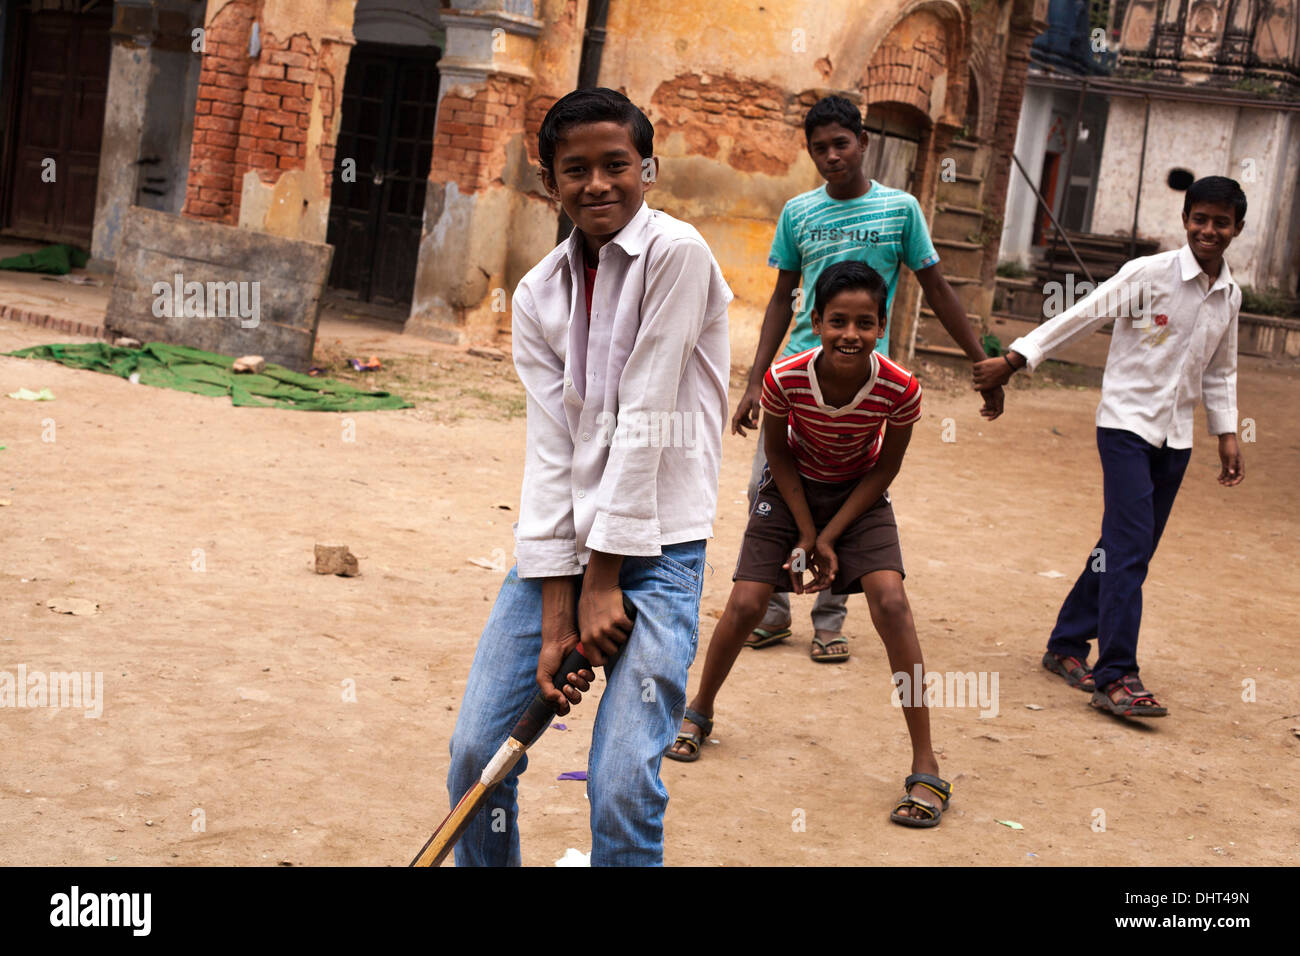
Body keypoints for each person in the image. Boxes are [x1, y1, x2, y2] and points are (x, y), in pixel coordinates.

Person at [445, 87, 732, 865]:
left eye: (616, 165)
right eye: (576, 170)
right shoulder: (539, 292)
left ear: (649, 168)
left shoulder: (677, 256)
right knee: (478, 751)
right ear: (550, 184)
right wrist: (557, 612)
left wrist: (605, 581)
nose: (597, 184)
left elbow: (645, 418)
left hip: (661, 550)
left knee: (620, 783)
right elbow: (551, 450)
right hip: (564, 553)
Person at [666, 260, 951, 827]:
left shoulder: (900, 388)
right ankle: (699, 710)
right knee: (746, 603)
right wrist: (803, 531)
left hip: (860, 497)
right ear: (816, 321)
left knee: (891, 602)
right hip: (790, 490)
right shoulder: (785, 378)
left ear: (881, 325)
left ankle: (927, 761)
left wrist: (830, 535)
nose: (851, 334)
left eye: (865, 323)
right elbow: (777, 454)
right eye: (838, 320)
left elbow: (884, 471)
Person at [732, 94, 1003, 664]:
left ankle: (830, 616)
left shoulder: (900, 210)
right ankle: (775, 609)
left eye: (841, 143)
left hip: (862, 387)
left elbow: (937, 287)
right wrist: (756, 379)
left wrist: (981, 361)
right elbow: (782, 299)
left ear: (864, 142)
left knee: (847, 487)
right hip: (798, 379)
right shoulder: (799, 213)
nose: (832, 155)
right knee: (777, 487)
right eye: (819, 148)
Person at [972, 175, 1247, 718]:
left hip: (1177, 438)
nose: (1208, 230)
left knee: (1123, 544)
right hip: (1124, 427)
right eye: (1200, 219)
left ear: (1238, 228)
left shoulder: (1229, 295)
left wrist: (1228, 433)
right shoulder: (1149, 274)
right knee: (1130, 549)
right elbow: (1083, 315)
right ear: (1185, 219)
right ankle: (1117, 674)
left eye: (1221, 222)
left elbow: (1222, 370)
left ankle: (1067, 643)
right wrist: (1015, 359)